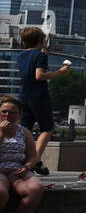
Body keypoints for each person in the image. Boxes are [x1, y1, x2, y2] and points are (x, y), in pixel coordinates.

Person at [15, 27, 71, 176]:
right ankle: (36, 159)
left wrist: (42, 53)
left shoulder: (20, 56)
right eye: (44, 39)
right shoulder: (40, 56)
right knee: (47, 128)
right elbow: (39, 76)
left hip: (23, 96)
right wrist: (60, 72)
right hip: (39, 96)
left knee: (24, 129)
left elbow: (30, 64)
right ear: (40, 40)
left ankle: (19, 158)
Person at [0, 95, 47, 213]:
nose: (7, 115)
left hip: (17, 170)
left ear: (19, 114)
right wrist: (1, 133)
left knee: (36, 188)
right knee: (1, 192)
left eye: (12, 112)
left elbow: (33, 156)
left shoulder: (24, 132)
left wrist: (27, 166)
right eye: (4, 112)